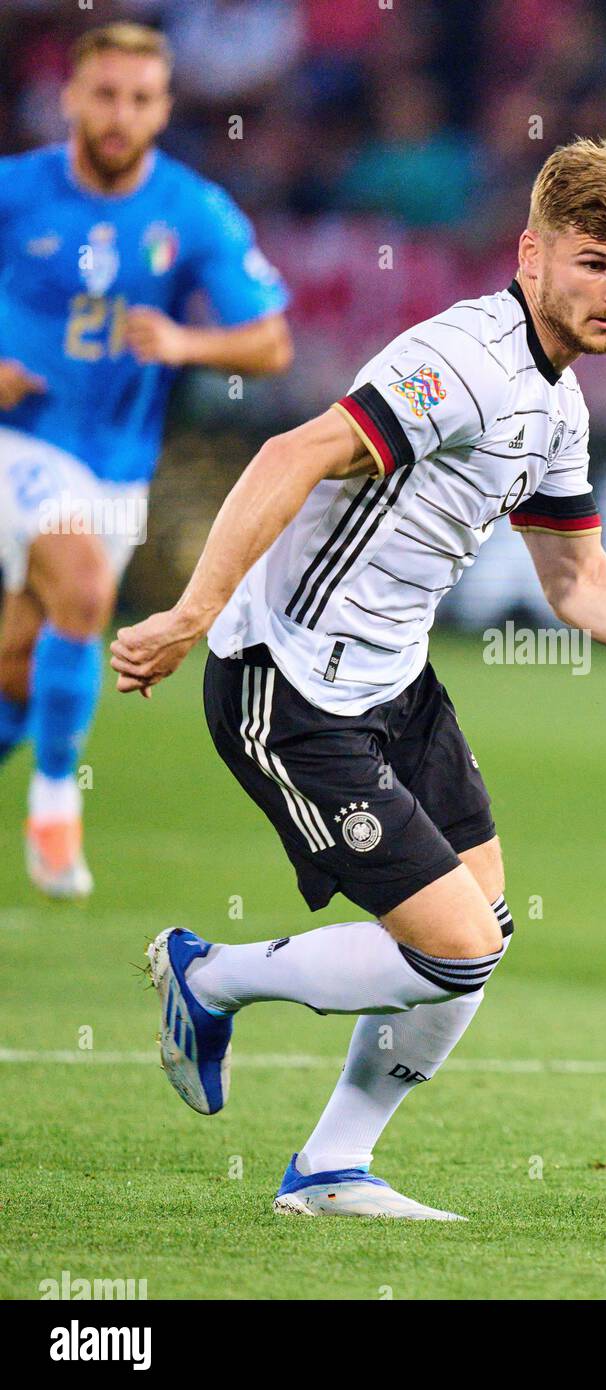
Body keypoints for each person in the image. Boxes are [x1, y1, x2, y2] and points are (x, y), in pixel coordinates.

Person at [110, 137, 606, 1221]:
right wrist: (193, 613)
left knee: (484, 925)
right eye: (594, 263)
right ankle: (209, 975)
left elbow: (577, 581)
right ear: (532, 255)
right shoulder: (462, 361)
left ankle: (332, 1169)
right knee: (455, 951)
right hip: (288, 684)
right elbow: (291, 452)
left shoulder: (558, 402)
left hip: (395, 681)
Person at [0, 22, 292, 897]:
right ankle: (56, 808)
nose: (119, 113)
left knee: (18, 659)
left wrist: (184, 343)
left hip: (116, 466)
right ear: (71, 99)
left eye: (139, 98)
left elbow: (271, 344)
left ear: (164, 108)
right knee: (86, 590)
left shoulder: (192, 210)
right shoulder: (15, 192)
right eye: (104, 94)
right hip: (19, 442)